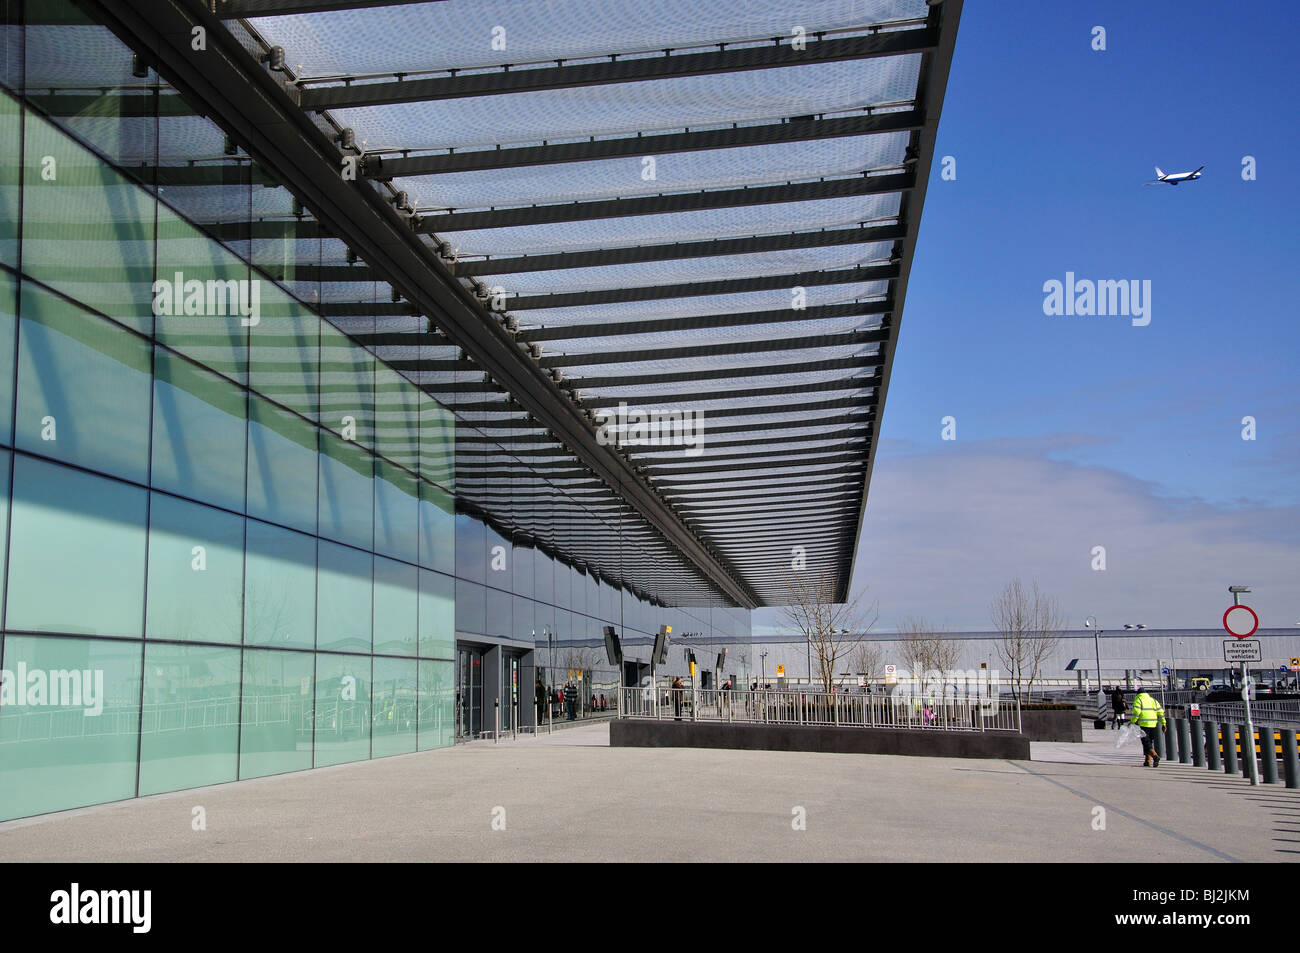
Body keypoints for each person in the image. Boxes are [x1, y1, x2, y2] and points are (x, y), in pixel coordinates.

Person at [1130, 690, 1167, 767]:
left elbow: (1136, 712)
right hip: (1153, 724)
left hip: (1143, 723)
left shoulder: (1138, 699)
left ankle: (1155, 756)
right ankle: (1147, 761)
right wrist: (1163, 723)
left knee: (1146, 742)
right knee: (1149, 741)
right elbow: (1160, 712)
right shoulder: (1153, 700)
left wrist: (1132, 722)